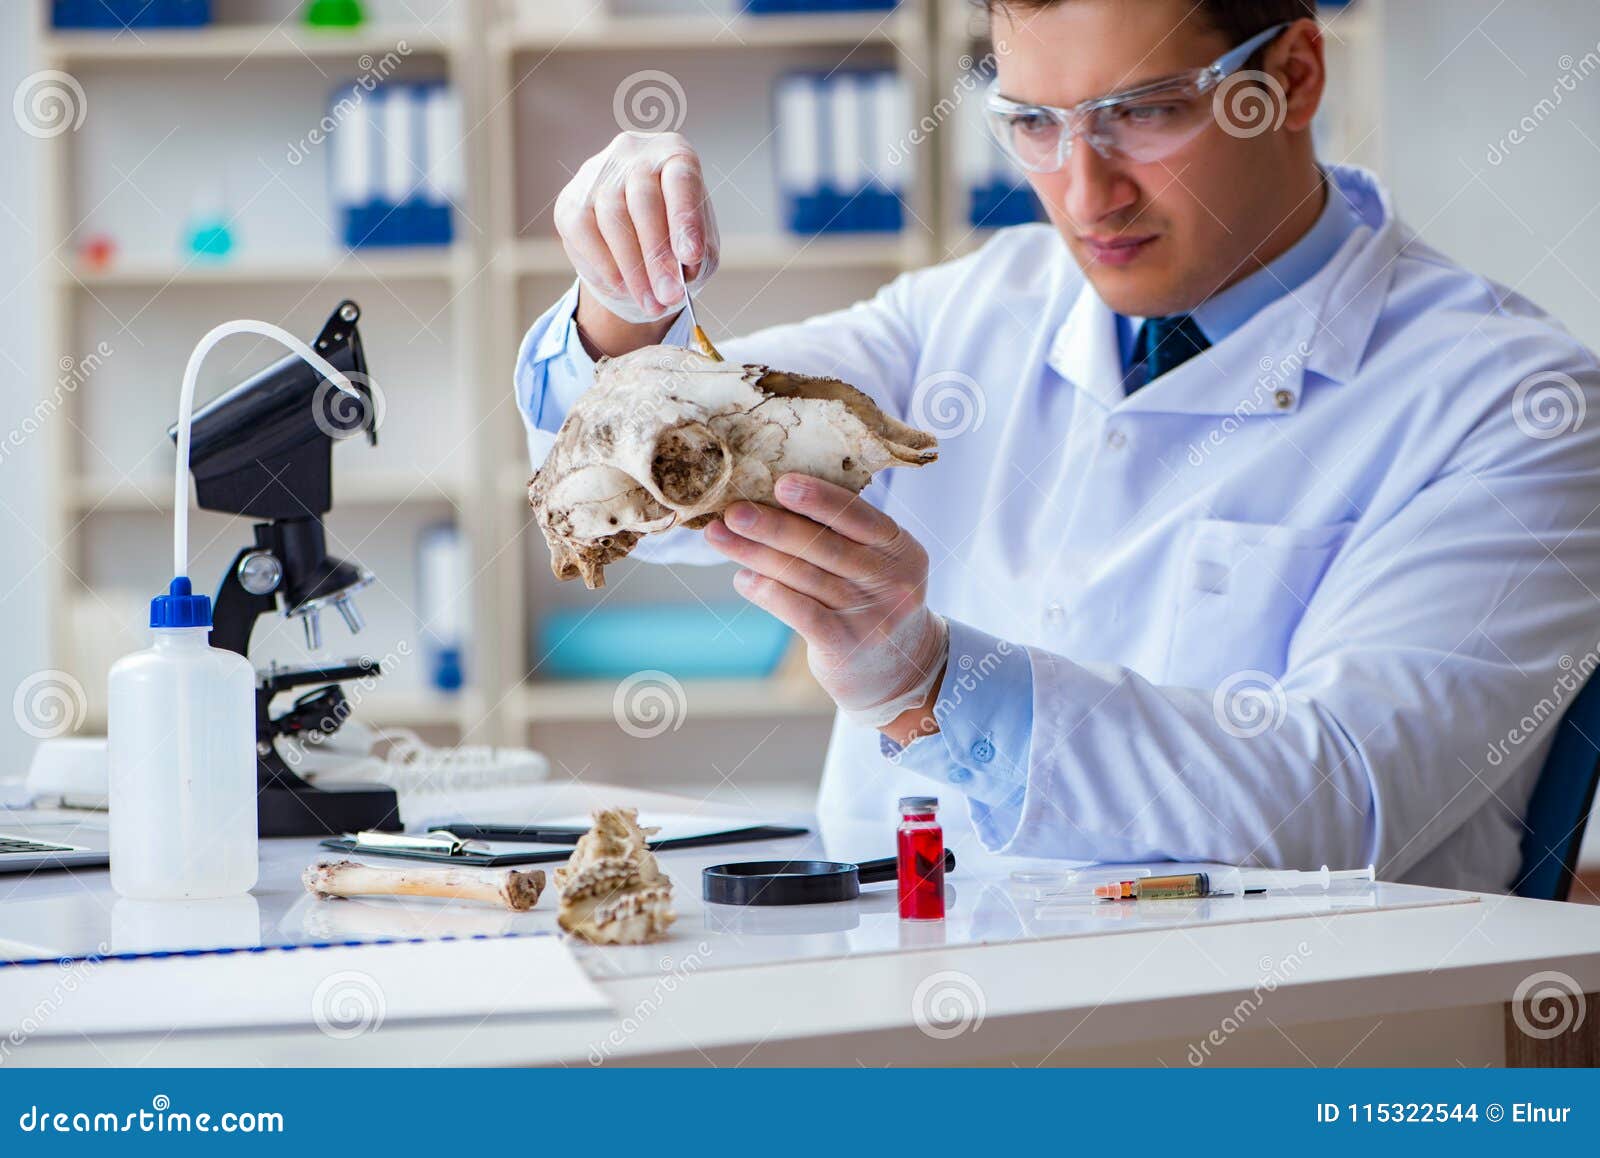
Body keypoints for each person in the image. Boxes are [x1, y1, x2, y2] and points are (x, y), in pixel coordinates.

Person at [515, 0, 1600, 892]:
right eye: (1034, 123)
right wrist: (623, 312)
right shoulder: (974, 310)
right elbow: (664, 478)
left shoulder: (1513, 403)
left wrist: (936, 684)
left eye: (1147, 112)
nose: (1085, 193)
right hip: (895, 1012)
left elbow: (1350, 804)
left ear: (1296, 75)